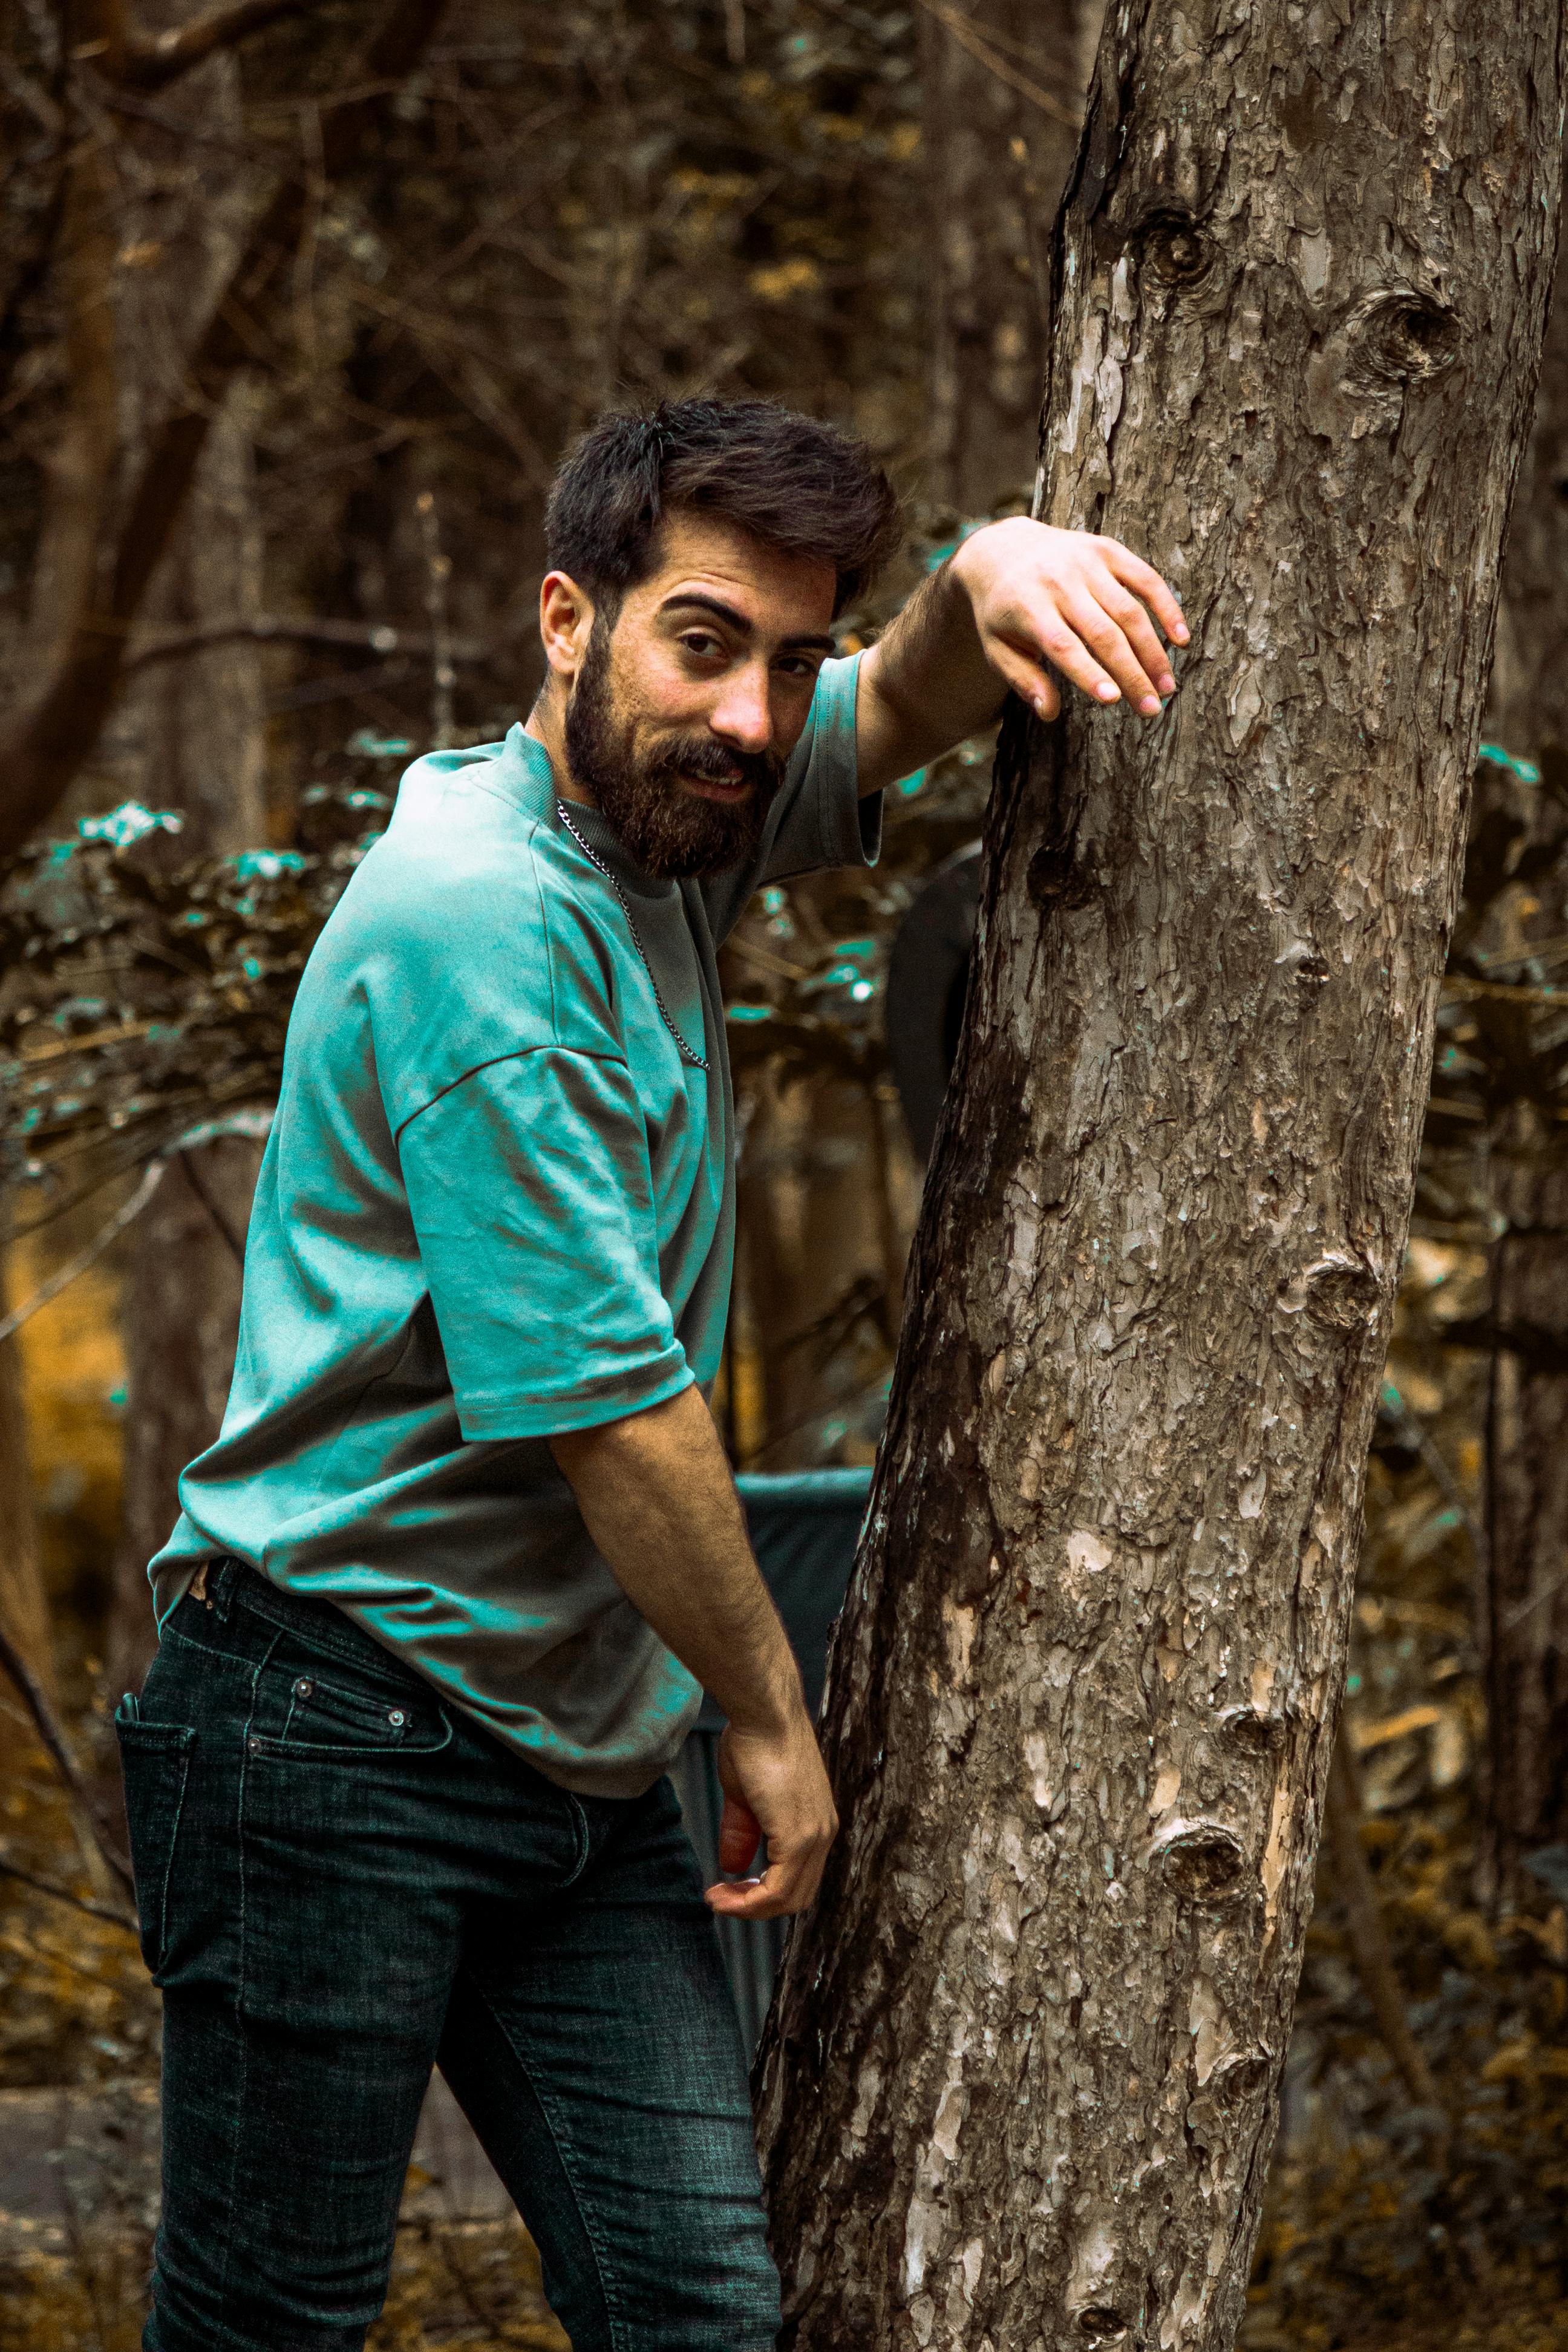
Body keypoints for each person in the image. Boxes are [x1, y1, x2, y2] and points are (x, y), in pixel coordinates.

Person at [117, 398, 1186, 2352]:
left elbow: (886, 710)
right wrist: (769, 1724)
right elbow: (611, 1409)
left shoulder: (668, 808)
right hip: (327, 1729)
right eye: (707, 642)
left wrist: (985, 576)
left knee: (693, 2304)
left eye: (784, 655)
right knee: (273, 2324)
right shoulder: (485, 924)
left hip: (570, 1752)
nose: (757, 715)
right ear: (564, 620)